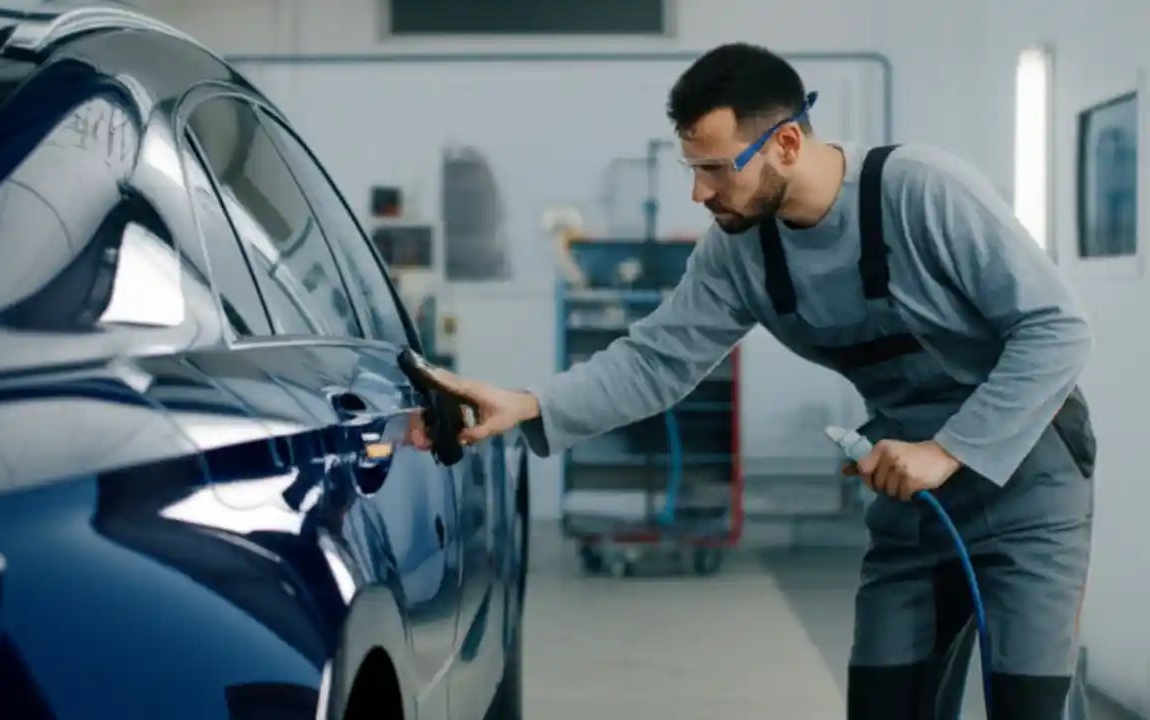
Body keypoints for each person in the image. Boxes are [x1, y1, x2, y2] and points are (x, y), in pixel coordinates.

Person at [409, 42, 1096, 719]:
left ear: (787, 144)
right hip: (907, 493)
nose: (698, 191)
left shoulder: (921, 193)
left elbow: (1056, 329)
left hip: (1027, 483)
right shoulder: (738, 250)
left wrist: (946, 452)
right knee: (887, 698)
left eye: (714, 168)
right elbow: (655, 361)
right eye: (691, 166)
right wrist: (529, 402)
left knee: (1029, 701)